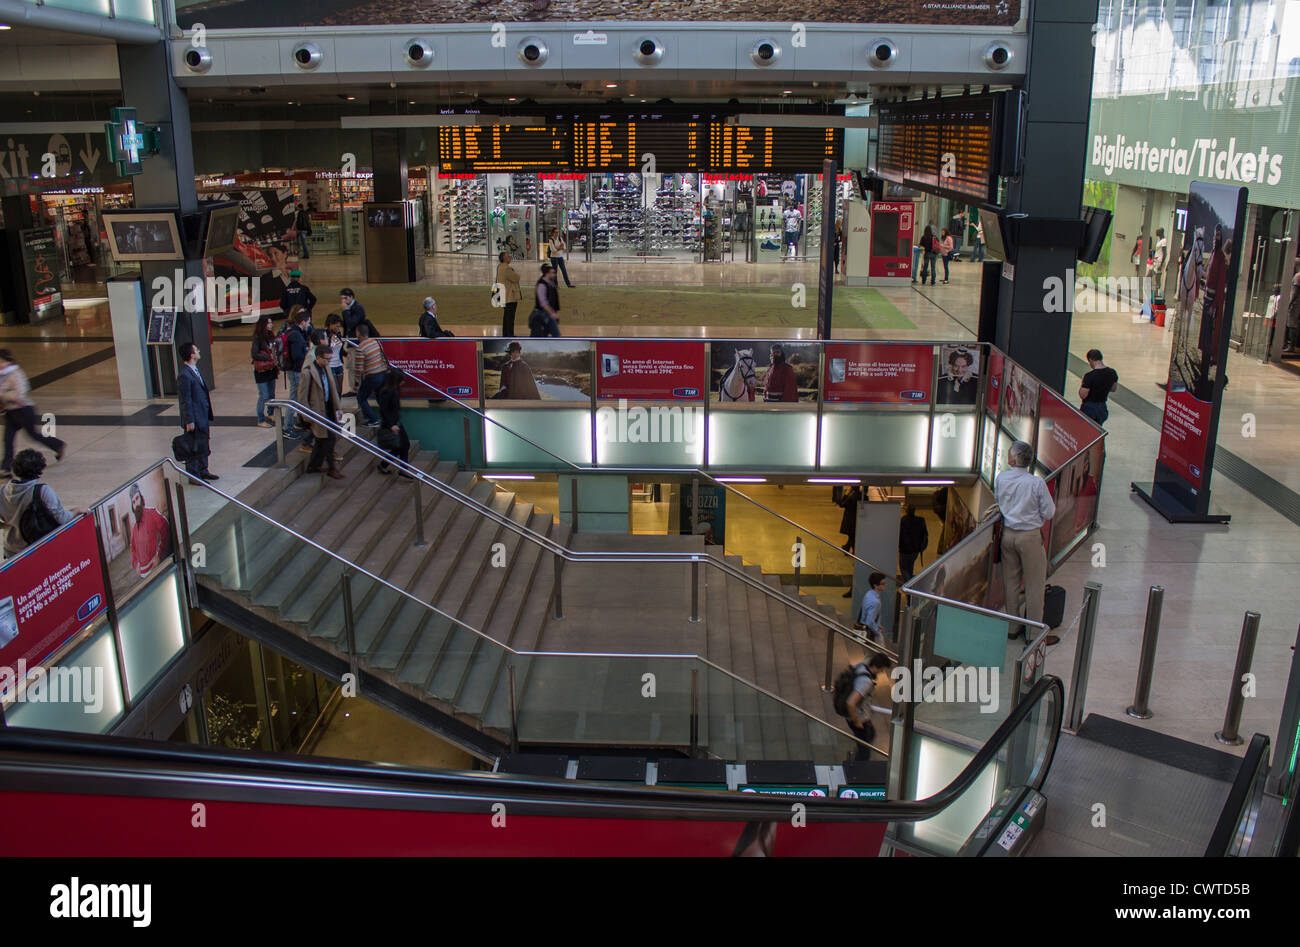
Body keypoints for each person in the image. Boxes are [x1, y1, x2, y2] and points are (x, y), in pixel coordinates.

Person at [995, 440, 1056, 644]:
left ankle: (1012, 626)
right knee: (1034, 586)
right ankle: (1033, 634)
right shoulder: (1036, 483)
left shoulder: (1001, 478)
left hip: (1008, 534)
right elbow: (1049, 512)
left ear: (1013, 459)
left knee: (1010, 582)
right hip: (1029, 536)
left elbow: (999, 501)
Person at [0, 450, 87, 558]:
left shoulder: (2, 491)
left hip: (11, 550)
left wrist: (7, 524)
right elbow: (62, 518)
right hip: (36, 548)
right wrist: (77, 510)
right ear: (39, 470)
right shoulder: (42, 491)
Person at [0, 349, 65, 478]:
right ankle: (5, 468)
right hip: (11, 412)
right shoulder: (2, 375)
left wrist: (3, 395)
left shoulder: (16, 374)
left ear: (8, 361)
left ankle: (57, 445)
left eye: (1, 361)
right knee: (8, 439)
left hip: (23, 410)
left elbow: (20, 395)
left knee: (33, 435)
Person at [297, 345, 344, 480]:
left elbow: (333, 389)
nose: (329, 362)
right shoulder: (307, 373)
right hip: (317, 412)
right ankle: (331, 468)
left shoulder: (326, 368)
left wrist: (338, 408)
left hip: (329, 409)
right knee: (328, 439)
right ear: (318, 358)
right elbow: (302, 397)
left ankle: (313, 465)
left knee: (321, 440)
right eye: (327, 359)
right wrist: (307, 416)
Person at [835, 653, 893, 761]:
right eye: (882, 669)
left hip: (857, 715)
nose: (882, 672)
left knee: (870, 735)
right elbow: (851, 703)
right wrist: (856, 721)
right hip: (858, 717)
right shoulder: (865, 682)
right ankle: (858, 769)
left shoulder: (863, 664)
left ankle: (855, 759)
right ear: (877, 667)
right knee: (865, 749)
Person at [176, 342, 217, 482]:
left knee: (203, 443)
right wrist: (189, 420)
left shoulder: (195, 371)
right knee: (193, 446)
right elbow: (185, 400)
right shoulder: (185, 375)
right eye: (196, 349)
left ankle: (203, 470)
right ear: (192, 355)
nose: (198, 350)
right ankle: (193, 475)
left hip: (202, 415)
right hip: (195, 417)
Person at [127, 482, 172, 577]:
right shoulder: (135, 527)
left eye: (137, 498)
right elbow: (132, 547)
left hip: (155, 568)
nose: (136, 503)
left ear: (141, 498)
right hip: (142, 575)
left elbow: (166, 528)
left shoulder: (152, 513)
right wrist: (136, 564)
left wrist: (159, 555)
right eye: (133, 502)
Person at [376, 367, 413, 479]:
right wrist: (391, 425)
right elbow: (384, 410)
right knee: (403, 445)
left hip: (396, 422)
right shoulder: (388, 391)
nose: (403, 382)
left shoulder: (394, 389)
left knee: (402, 446)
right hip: (391, 424)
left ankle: (387, 465)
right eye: (401, 380)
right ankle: (402, 469)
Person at [281, 307, 311, 438]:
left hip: (292, 370)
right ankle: (287, 427)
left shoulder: (292, 332)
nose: (309, 325)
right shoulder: (296, 336)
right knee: (293, 399)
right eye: (308, 322)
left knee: (296, 398)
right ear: (303, 322)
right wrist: (306, 352)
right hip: (295, 371)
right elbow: (297, 355)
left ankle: (297, 423)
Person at [353, 324, 389, 428]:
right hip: (382, 374)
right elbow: (382, 357)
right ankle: (387, 418)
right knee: (379, 398)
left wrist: (356, 386)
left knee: (361, 398)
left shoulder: (361, 348)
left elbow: (358, 369)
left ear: (358, 333)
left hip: (372, 376)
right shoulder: (375, 342)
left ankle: (373, 420)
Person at [250, 315, 278, 428]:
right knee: (264, 395)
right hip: (261, 371)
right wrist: (269, 357)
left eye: (271, 322)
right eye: (269, 323)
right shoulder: (258, 338)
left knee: (271, 394)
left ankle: (270, 413)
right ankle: (260, 419)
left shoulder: (271, 336)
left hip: (271, 369)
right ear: (263, 324)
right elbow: (254, 354)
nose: (271, 325)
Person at [1078, 348, 1119, 425]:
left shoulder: (1089, 376)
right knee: (1098, 431)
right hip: (1102, 407)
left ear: (1090, 360)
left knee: (1086, 430)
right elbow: (1113, 389)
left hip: (1089, 407)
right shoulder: (1112, 373)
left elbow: (1083, 395)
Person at [898, 504, 929, 581]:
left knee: (903, 568)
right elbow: (925, 534)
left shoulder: (904, 520)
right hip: (916, 550)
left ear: (907, 511)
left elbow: (900, 534)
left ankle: (910, 587)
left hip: (905, 550)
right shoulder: (921, 520)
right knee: (910, 567)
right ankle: (910, 584)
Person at [529, 264, 561, 337]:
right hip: (542, 314)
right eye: (552, 273)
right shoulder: (542, 285)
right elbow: (543, 302)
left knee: (541, 335)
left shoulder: (550, 283)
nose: (554, 275)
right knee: (555, 335)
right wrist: (552, 313)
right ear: (547, 274)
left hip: (547, 314)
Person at [496, 250, 522, 337]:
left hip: (502, 294)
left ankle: (506, 333)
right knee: (510, 317)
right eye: (508, 256)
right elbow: (516, 278)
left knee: (506, 316)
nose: (510, 258)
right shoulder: (507, 268)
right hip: (510, 296)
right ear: (505, 258)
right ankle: (509, 334)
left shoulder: (499, 267)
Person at [857, 571, 888, 643]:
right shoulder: (875, 601)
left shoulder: (868, 594)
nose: (885, 585)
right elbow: (870, 621)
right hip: (870, 632)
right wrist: (878, 632)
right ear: (875, 585)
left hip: (864, 627)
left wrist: (878, 625)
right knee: (879, 650)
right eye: (883, 584)